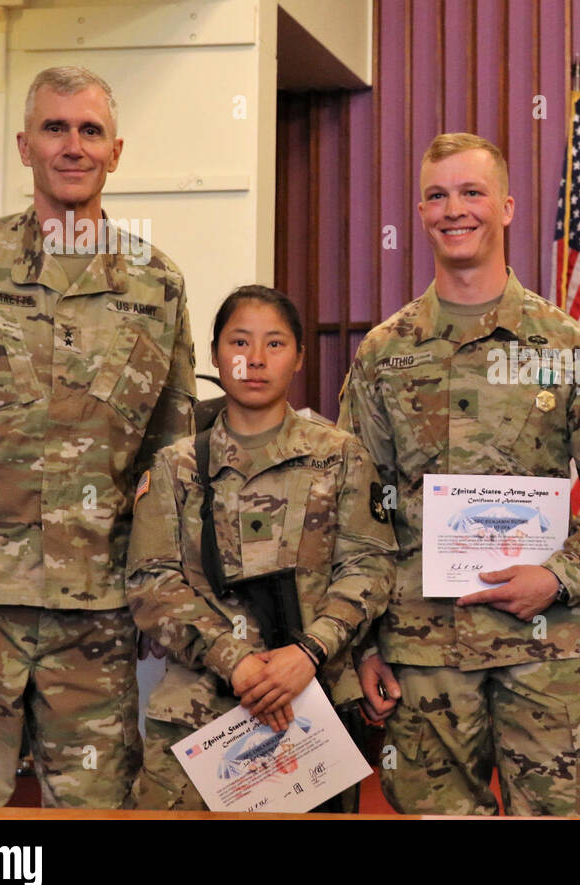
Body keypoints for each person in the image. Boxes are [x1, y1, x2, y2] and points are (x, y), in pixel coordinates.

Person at [0, 66, 195, 807]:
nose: (72, 145)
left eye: (90, 130)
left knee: (95, 816)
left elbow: (173, 464)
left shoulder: (157, 284)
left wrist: (167, 602)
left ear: (115, 151)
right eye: (55, 128)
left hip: (94, 612)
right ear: (25, 145)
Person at [337, 132, 580, 816]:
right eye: (438, 195)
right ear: (420, 214)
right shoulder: (385, 354)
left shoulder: (565, 346)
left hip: (545, 648)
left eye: (472, 192)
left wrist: (557, 576)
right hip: (422, 653)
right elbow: (356, 511)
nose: (455, 209)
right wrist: (360, 646)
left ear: (505, 207)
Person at [126, 285, 395, 811]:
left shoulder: (340, 455)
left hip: (310, 708)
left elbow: (370, 564)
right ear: (215, 354)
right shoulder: (176, 466)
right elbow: (150, 583)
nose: (254, 359)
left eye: (274, 344)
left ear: (298, 356)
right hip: (198, 714)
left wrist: (309, 651)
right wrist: (238, 664)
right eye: (239, 342)